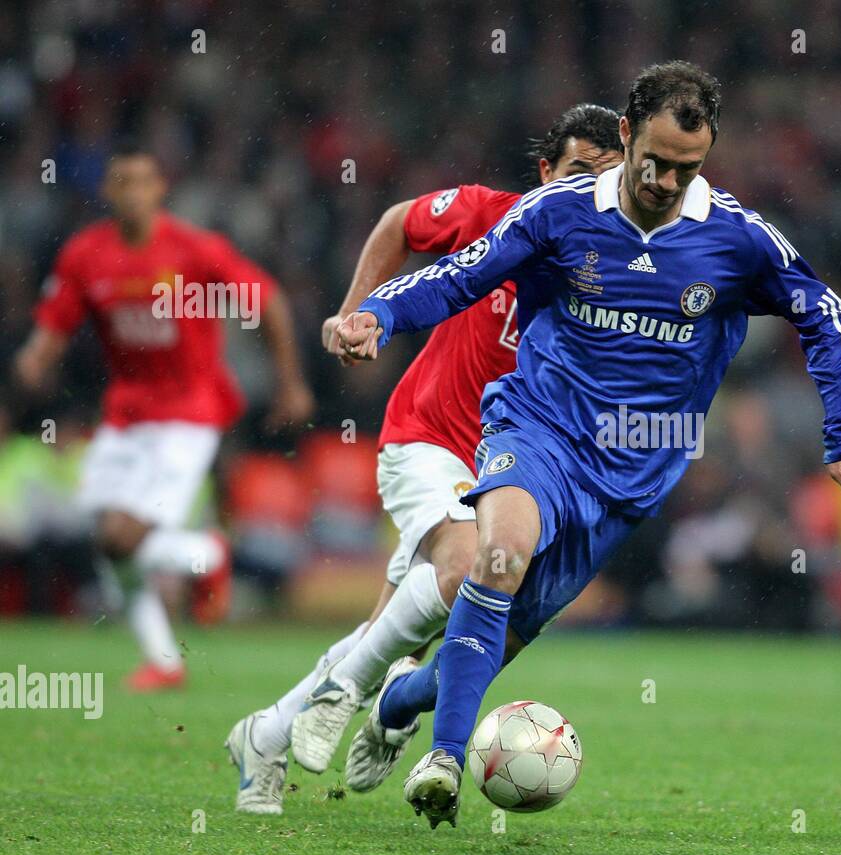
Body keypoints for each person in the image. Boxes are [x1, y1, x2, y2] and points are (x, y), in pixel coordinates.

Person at [335, 62, 841, 828]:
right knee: (501, 551)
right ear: (626, 133)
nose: (667, 178)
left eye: (688, 167)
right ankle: (444, 757)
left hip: (631, 474)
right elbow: (463, 275)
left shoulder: (736, 240)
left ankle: (403, 699)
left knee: (500, 639)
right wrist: (379, 313)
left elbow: (825, 313)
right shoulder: (559, 212)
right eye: (655, 159)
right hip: (536, 425)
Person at [225, 105, 624, 814]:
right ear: (544, 173)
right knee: (466, 564)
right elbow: (397, 226)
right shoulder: (487, 215)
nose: (586, 192)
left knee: (394, 627)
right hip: (429, 439)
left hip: (520, 470)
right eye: (575, 174)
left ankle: (266, 733)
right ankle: (343, 694)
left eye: (605, 179)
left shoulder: (616, 270)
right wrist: (355, 313)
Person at [13, 140, 314, 692]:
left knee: (124, 538)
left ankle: (208, 555)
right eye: (121, 181)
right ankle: (167, 652)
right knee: (104, 538)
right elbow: (56, 319)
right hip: (126, 414)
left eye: (143, 180)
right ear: (107, 191)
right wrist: (36, 357)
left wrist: (290, 381)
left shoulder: (194, 251)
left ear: (160, 189)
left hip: (189, 413)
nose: (132, 192)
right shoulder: (86, 255)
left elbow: (267, 299)